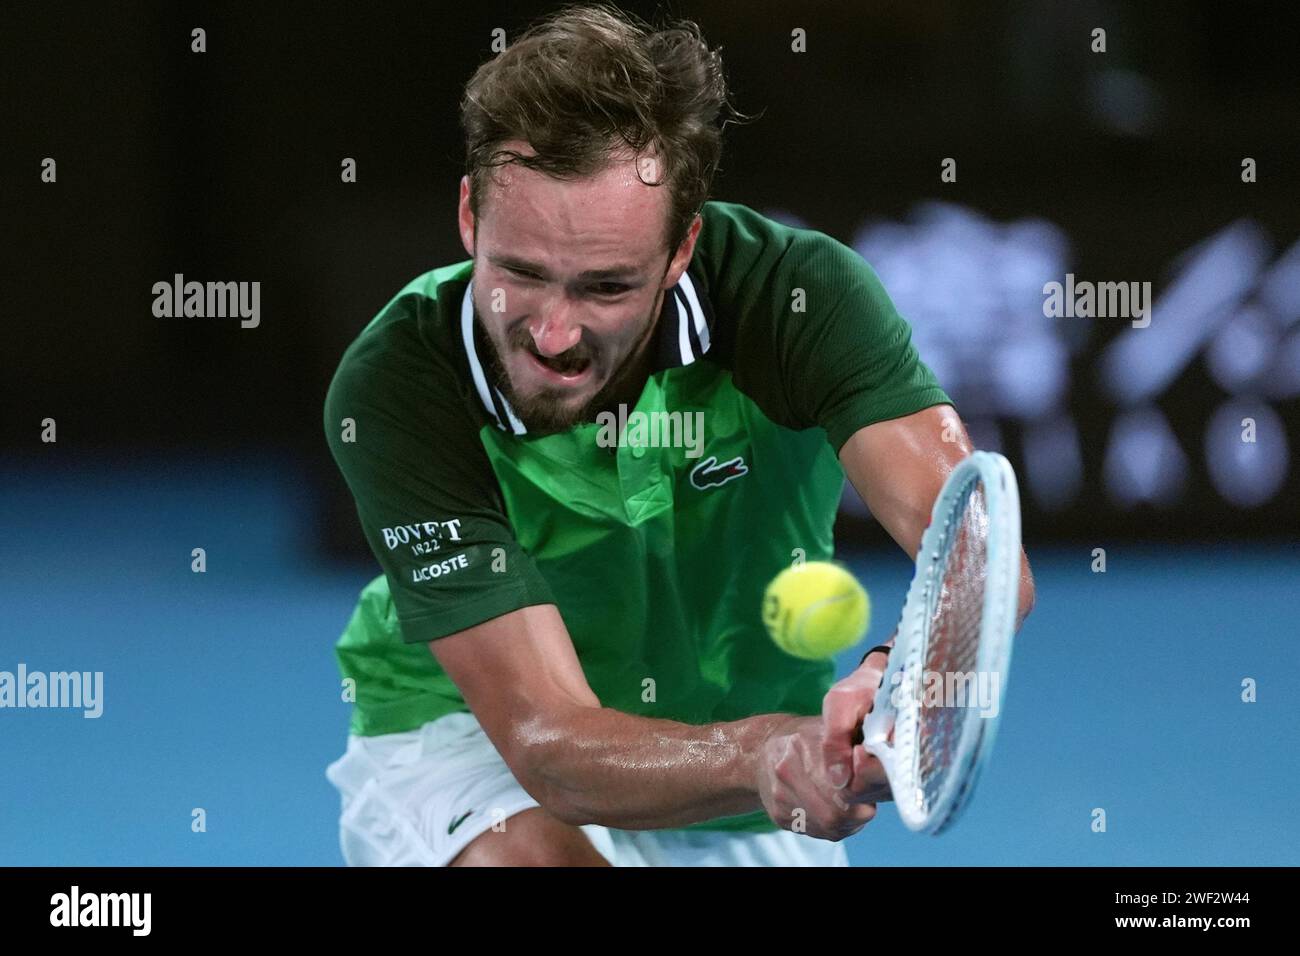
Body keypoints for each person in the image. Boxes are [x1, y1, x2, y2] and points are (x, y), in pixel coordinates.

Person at [322, 4, 1034, 867]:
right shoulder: (402, 381)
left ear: (680, 248)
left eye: (607, 288)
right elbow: (549, 744)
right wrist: (765, 750)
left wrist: (901, 673)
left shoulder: (798, 301)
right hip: (476, 740)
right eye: (519, 274)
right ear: (471, 216)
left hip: (738, 762)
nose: (553, 334)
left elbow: (975, 547)